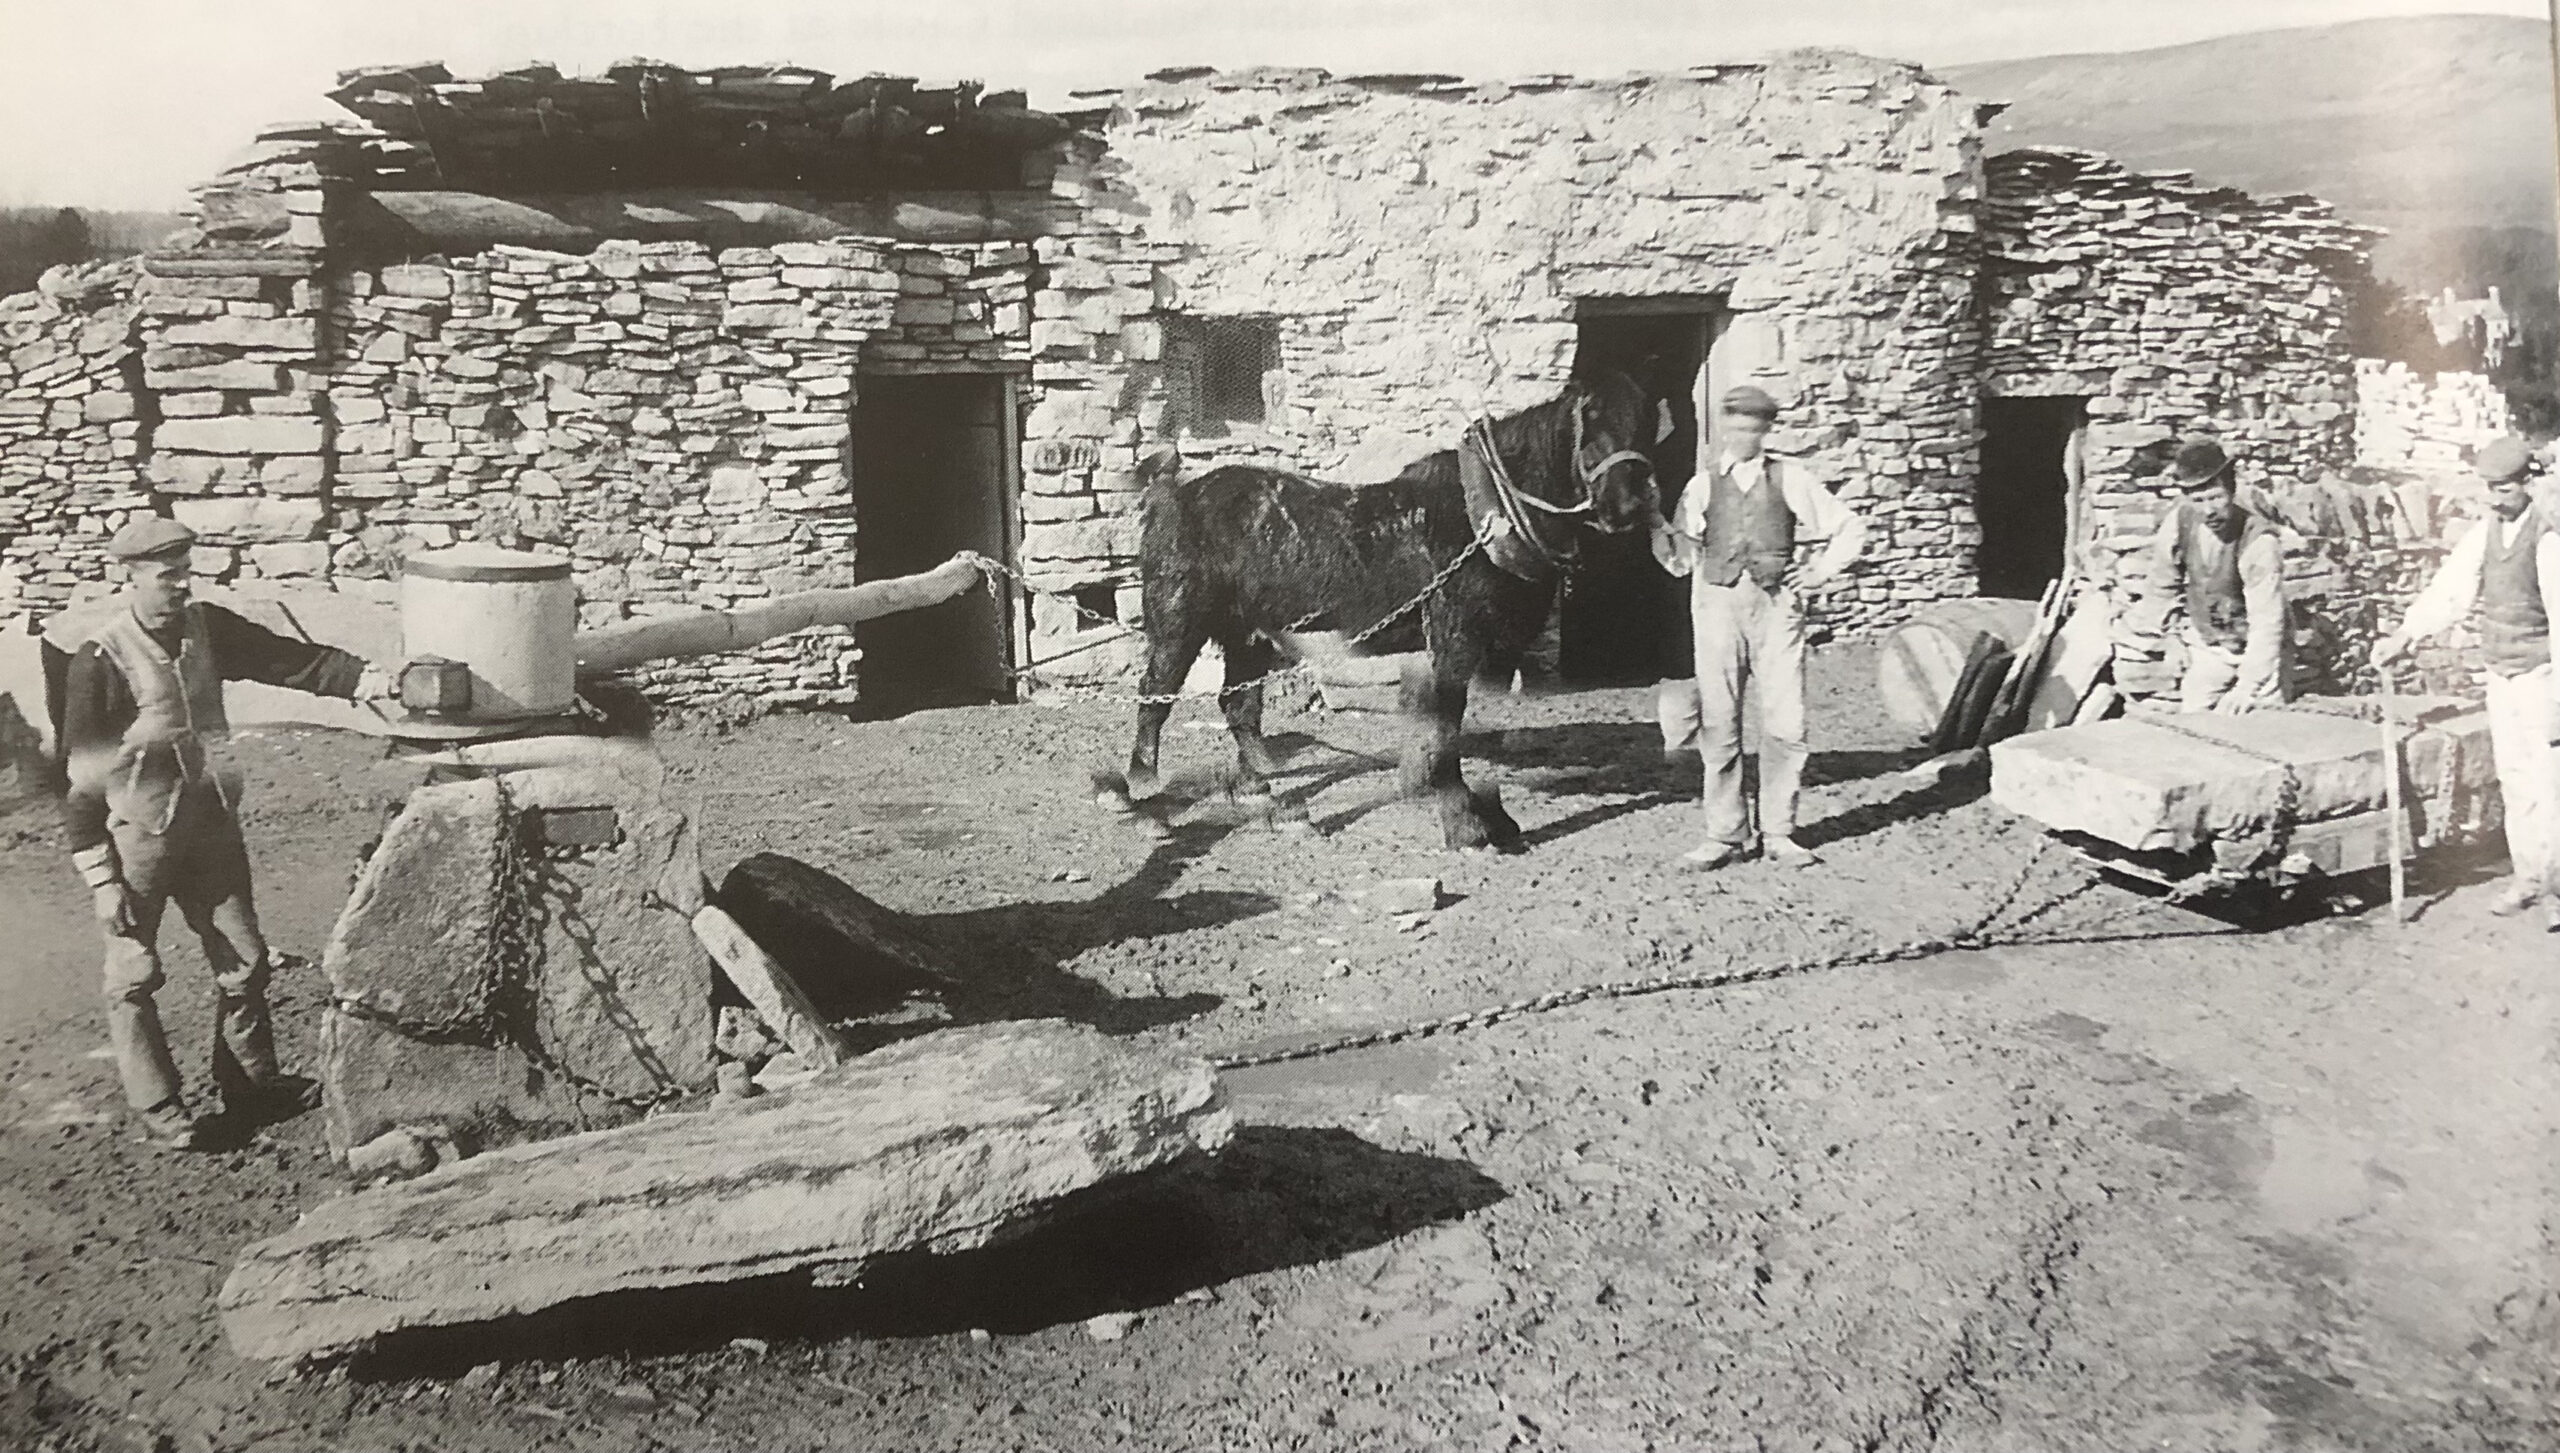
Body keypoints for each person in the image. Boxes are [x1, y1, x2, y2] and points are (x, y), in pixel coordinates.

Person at [54, 517, 388, 1149]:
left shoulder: (209, 628)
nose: (182, 586)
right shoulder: (101, 659)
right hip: (139, 837)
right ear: (129, 577)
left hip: (210, 828)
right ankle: (162, 1110)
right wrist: (101, 879)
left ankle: (252, 1084)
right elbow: (80, 782)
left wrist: (373, 680)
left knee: (245, 962)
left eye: (186, 571)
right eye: (166, 575)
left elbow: (292, 661)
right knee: (132, 973)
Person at [1649, 383, 1867, 869]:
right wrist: (1659, 534)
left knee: (1786, 721)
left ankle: (1779, 833)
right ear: (1724, 428)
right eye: (1737, 427)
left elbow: (1851, 528)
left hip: (1777, 609)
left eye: (1755, 428)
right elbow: (1682, 560)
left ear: (1766, 431)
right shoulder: (1702, 485)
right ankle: (1725, 834)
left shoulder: (1790, 477)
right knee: (1720, 723)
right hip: (1717, 605)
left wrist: (1816, 573)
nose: (1745, 436)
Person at [2371, 436, 2560, 928]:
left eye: (2505, 488)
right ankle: (2529, 878)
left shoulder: (2548, 536)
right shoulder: (2485, 533)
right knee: (2516, 781)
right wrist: (2405, 634)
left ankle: (2559, 888)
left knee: (2551, 782)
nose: (2496, 498)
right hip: (2502, 671)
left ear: (2528, 482)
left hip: (2543, 675)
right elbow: (2450, 592)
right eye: (2490, 489)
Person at [2146, 436, 2289, 714]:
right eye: (2199, 500)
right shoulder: (2178, 524)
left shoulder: (2258, 541)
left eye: (2216, 498)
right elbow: (2162, 587)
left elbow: (2267, 621)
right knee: (2196, 718)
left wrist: (2248, 686)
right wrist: (2170, 637)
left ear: (2231, 492)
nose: (2208, 510)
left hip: (2259, 646)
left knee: (2264, 724)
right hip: (2210, 643)